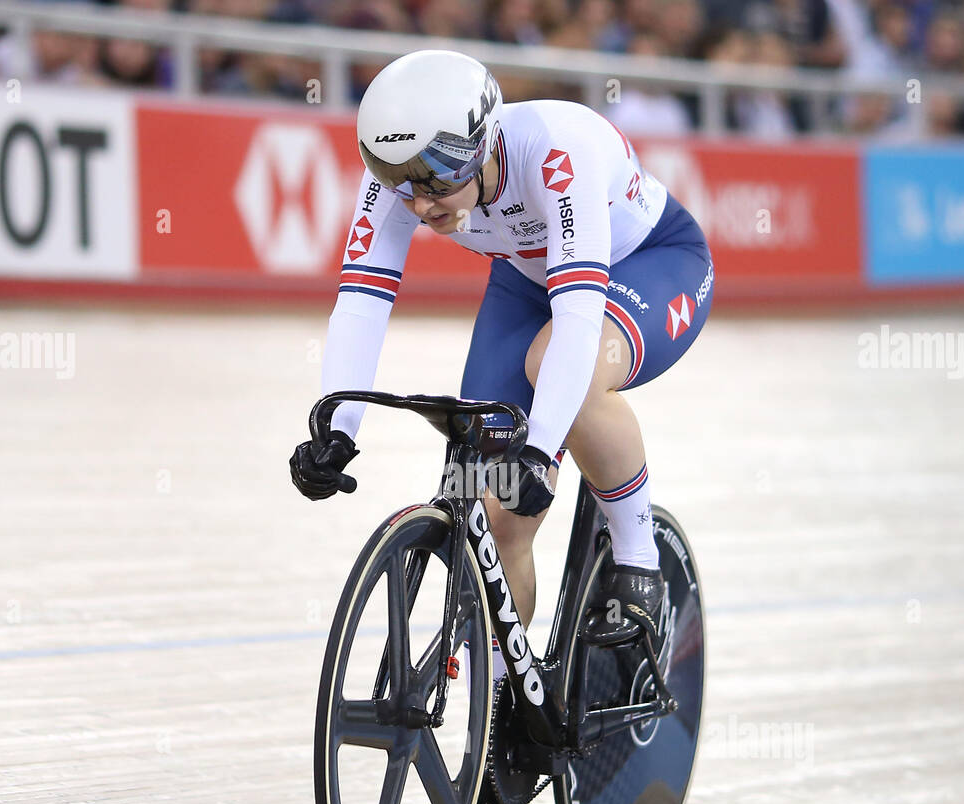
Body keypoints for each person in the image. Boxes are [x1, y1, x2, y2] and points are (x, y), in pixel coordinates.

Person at [290, 50, 714, 657]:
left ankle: (638, 560)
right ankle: (500, 710)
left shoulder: (558, 150)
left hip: (649, 263)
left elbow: (575, 317)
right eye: (399, 181)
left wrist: (539, 452)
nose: (417, 202)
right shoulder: (404, 170)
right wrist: (336, 426)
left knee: (556, 370)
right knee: (495, 514)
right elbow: (361, 299)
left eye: (437, 177)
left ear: (484, 144)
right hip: (528, 279)